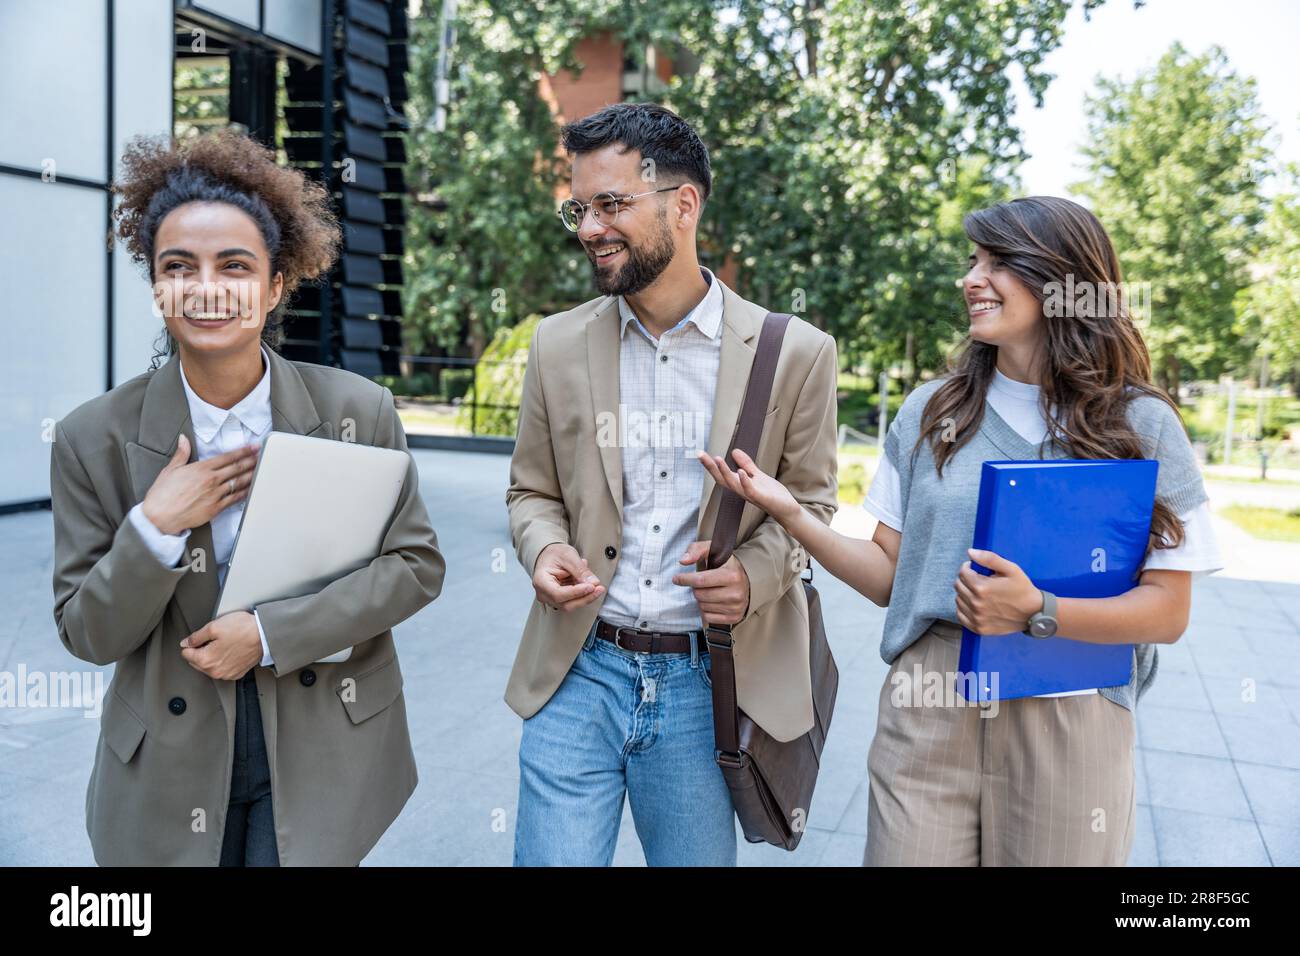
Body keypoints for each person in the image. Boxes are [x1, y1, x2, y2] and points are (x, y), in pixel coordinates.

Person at [699, 196, 1223, 866]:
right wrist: (792, 514)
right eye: (973, 260)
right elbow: (889, 574)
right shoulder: (932, 411)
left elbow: (1168, 612)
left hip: (1069, 710)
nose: (971, 278)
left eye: (998, 261)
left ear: (1062, 281)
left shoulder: (1139, 426)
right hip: (931, 701)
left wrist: (1038, 609)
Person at [50, 128, 446, 866]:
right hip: (167, 758)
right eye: (179, 266)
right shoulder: (90, 438)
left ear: (274, 285)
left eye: (234, 266)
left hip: (321, 736)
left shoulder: (359, 409)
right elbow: (88, 634)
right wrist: (156, 527)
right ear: (158, 285)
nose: (207, 287)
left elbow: (415, 566)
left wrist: (268, 635)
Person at [504, 103, 840, 866]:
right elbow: (531, 491)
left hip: (704, 683)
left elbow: (814, 506)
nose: (589, 228)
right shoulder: (556, 344)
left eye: (612, 204)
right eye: (580, 209)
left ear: (683, 205)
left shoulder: (794, 353)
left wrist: (753, 579)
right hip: (577, 672)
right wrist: (544, 547)